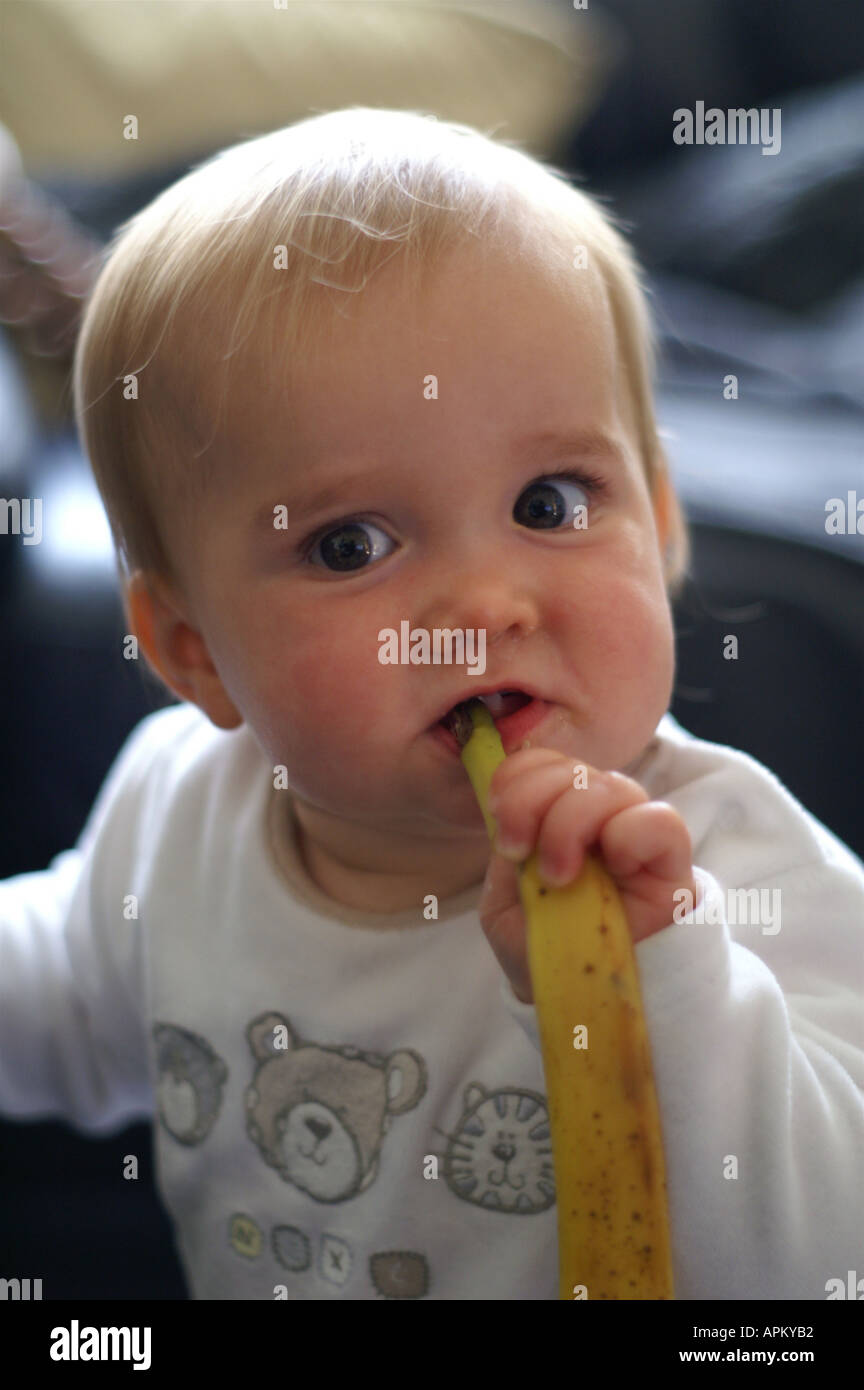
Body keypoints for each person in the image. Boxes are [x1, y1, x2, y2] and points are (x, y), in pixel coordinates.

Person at [2, 107, 861, 1301]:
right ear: (192, 650)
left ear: (661, 521)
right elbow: (63, 996)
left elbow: (824, 1263)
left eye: (552, 502)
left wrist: (668, 980)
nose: (486, 601)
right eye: (351, 544)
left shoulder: (727, 862)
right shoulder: (177, 812)